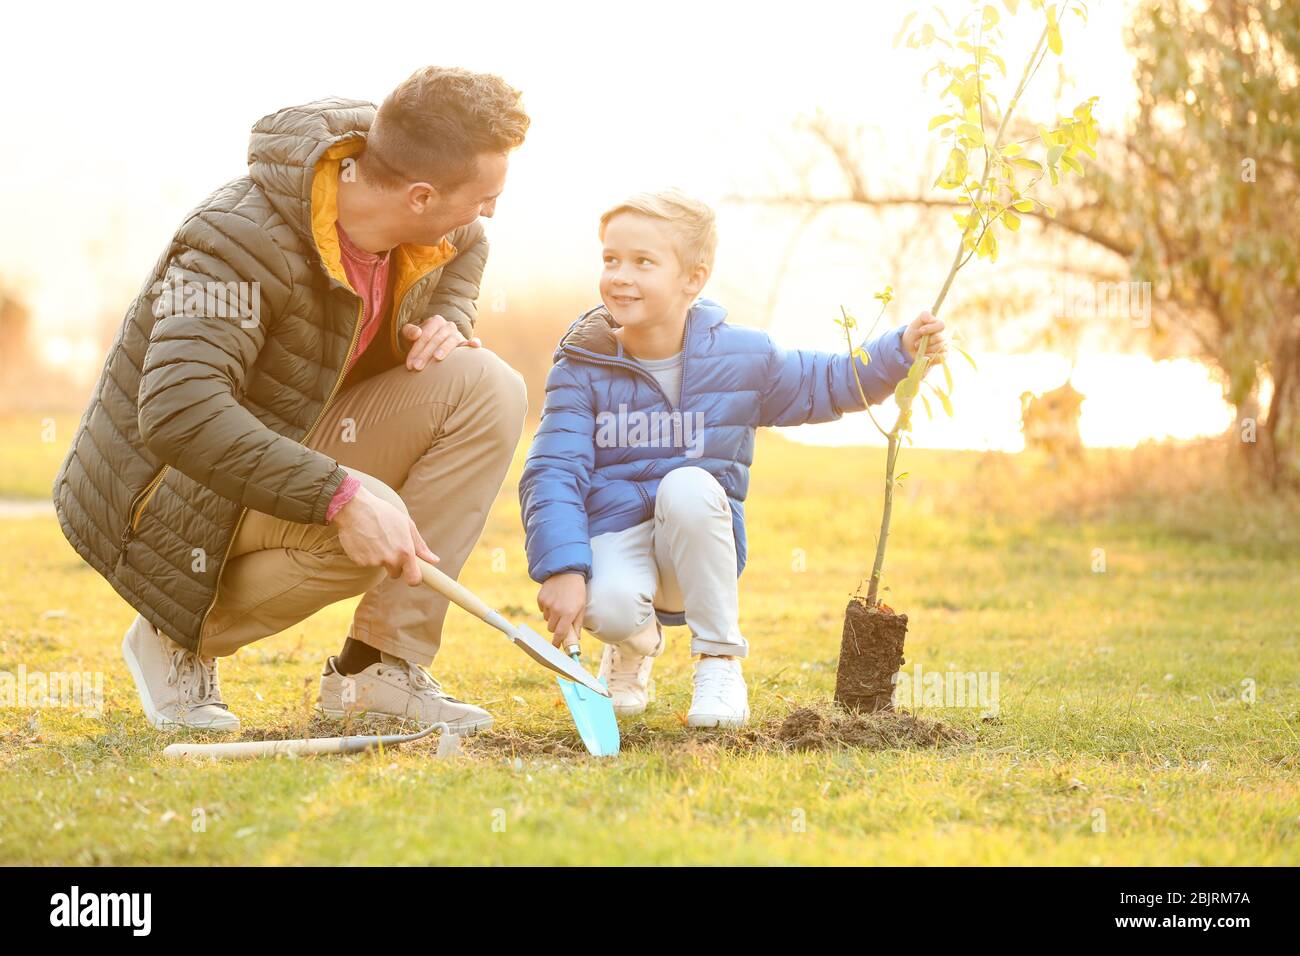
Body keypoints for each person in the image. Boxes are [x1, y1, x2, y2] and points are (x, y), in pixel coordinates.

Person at [53, 67, 531, 735]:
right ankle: (172, 630)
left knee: (489, 388)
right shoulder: (232, 244)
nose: (489, 213)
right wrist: (342, 495)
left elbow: (468, 246)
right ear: (420, 196)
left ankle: (377, 670)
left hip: (292, 439)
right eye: (485, 197)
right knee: (368, 525)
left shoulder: (420, 210)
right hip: (170, 489)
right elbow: (177, 412)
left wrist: (450, 311)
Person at [519, 189, 948, 728]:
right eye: (611, 259)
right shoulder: (581, 367)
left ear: (693, 279)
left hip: (697, 543)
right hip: (617, 539)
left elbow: (827, 381)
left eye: (642, 262)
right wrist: (561, 569)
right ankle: (632, 645)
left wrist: (899, 353)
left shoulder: (742, 356)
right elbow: (553, 471)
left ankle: (720, 662)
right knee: (607, 607)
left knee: (690, 484)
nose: (620, 275)